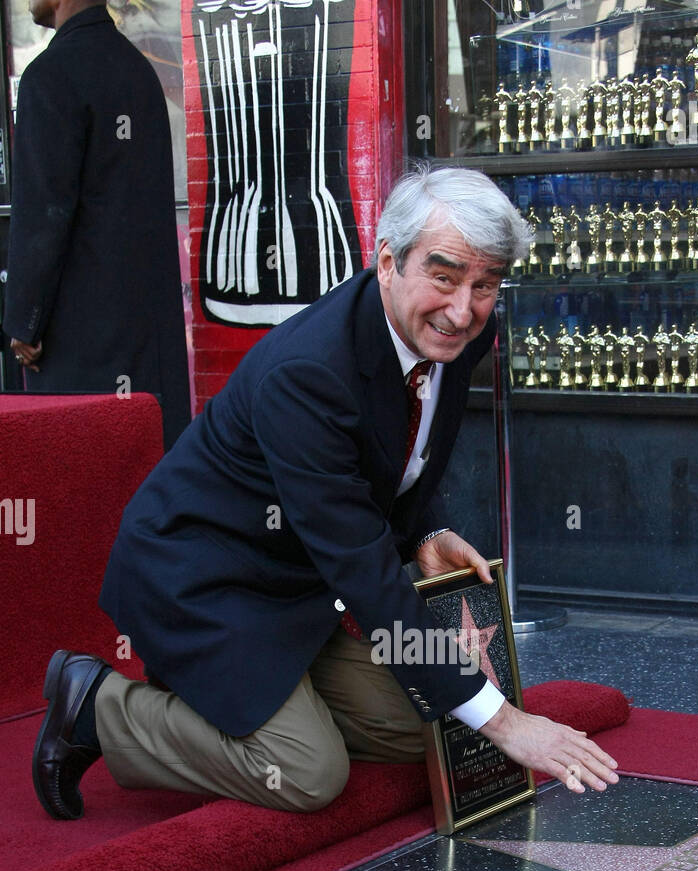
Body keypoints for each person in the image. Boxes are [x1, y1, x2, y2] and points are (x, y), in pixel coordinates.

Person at [32, 166, 618, 821]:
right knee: (310, 771)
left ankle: (257, 698)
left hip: (299, 587)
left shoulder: (451, 333)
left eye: (485, 285)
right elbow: (361, 568)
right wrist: (507, 722)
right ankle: (95, 705)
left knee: (416, 725)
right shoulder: (310, 372)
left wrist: (425, 533)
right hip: (200, 580)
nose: (463, 309)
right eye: (445, 276)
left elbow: (399, 456)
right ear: (388, 261)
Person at [3, 0, 190, 449]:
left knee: (84, 487)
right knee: (144, 480)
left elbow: (42, 215)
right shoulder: (137, 71)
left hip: (81, 348)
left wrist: (24, 324)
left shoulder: (51, 75)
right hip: (146, 351)